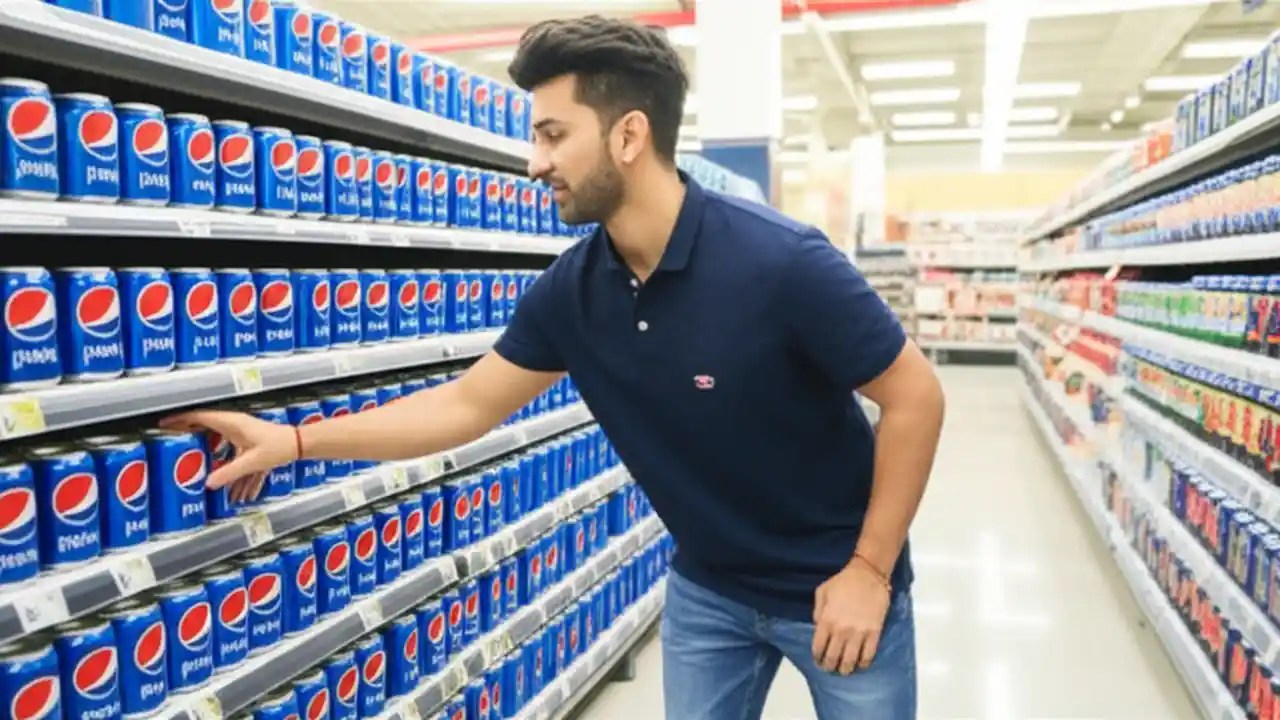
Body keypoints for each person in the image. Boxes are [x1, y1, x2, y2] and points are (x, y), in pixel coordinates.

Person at [163, 15, 945, 720]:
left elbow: (916, 397)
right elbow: (463, 408)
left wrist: (869, 570)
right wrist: (295, 441)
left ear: (628, 135)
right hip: (709, 590)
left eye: (552, 134)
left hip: (839, 585)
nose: (535, 163)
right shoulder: (574, 291)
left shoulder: (780, 260)